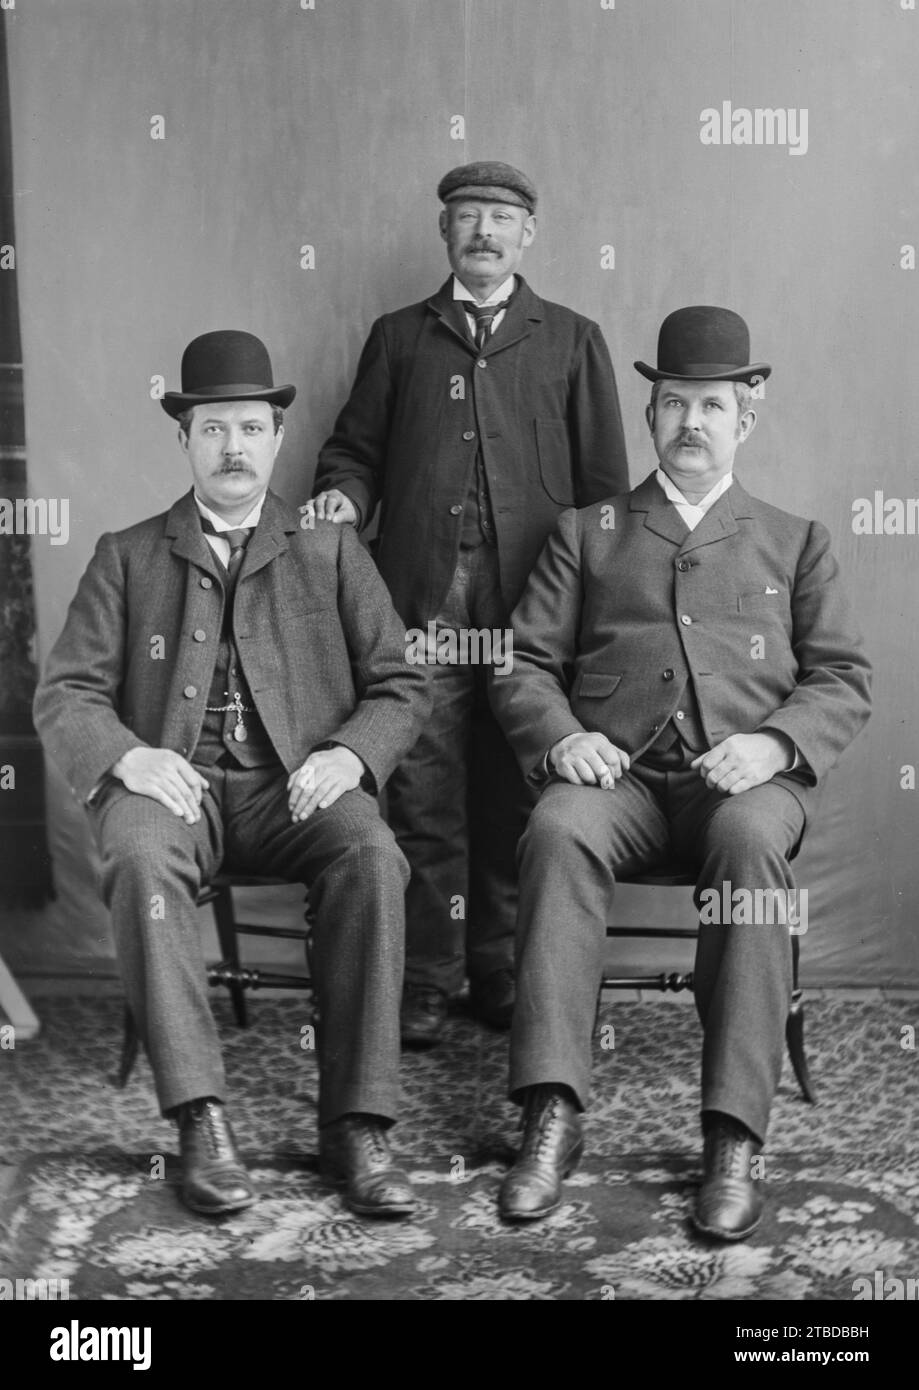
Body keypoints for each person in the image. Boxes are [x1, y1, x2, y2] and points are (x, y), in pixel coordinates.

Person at [489, 306, 872, 1238]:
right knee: (555, 828)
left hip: (741, 784)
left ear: (748, 413)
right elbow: (519, 662)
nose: (690, 424)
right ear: (650, 412)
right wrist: (558, 739)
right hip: (615, 778)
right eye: (671, 405)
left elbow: (841, 677)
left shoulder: (793, 538)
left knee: (748, 849)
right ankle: (551, 1112)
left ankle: (732, 1135)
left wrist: (774, 746)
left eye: (711, 405)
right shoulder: (589, 531)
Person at [33, 330, 431, 1220]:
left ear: (278, 436)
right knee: (138, 855)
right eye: (213, 430)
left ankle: (357, 1126)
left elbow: (403, 682)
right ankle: (199, 1120)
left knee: (372, 856)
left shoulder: (328, 551)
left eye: (251, 428)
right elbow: (65, 695)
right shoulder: (127, 553)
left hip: (297, 791)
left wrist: (349, 754)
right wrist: (131, 757)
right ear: (184, 439)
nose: (234, 448)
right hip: (179, 794)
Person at [309, 161, 629, 1046]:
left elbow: (605, 492)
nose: (482, 231)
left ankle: (497, 967)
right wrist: (342, 494)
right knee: (422, 784)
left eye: (499, 217)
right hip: (425, 605)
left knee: (520, 785)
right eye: (465, 217)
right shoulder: (400, 338)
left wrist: (598, 605)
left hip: (534, 608)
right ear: (443, 233)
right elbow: (352, 452)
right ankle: (425, 974)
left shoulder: (570, 339)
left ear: (528, 234)